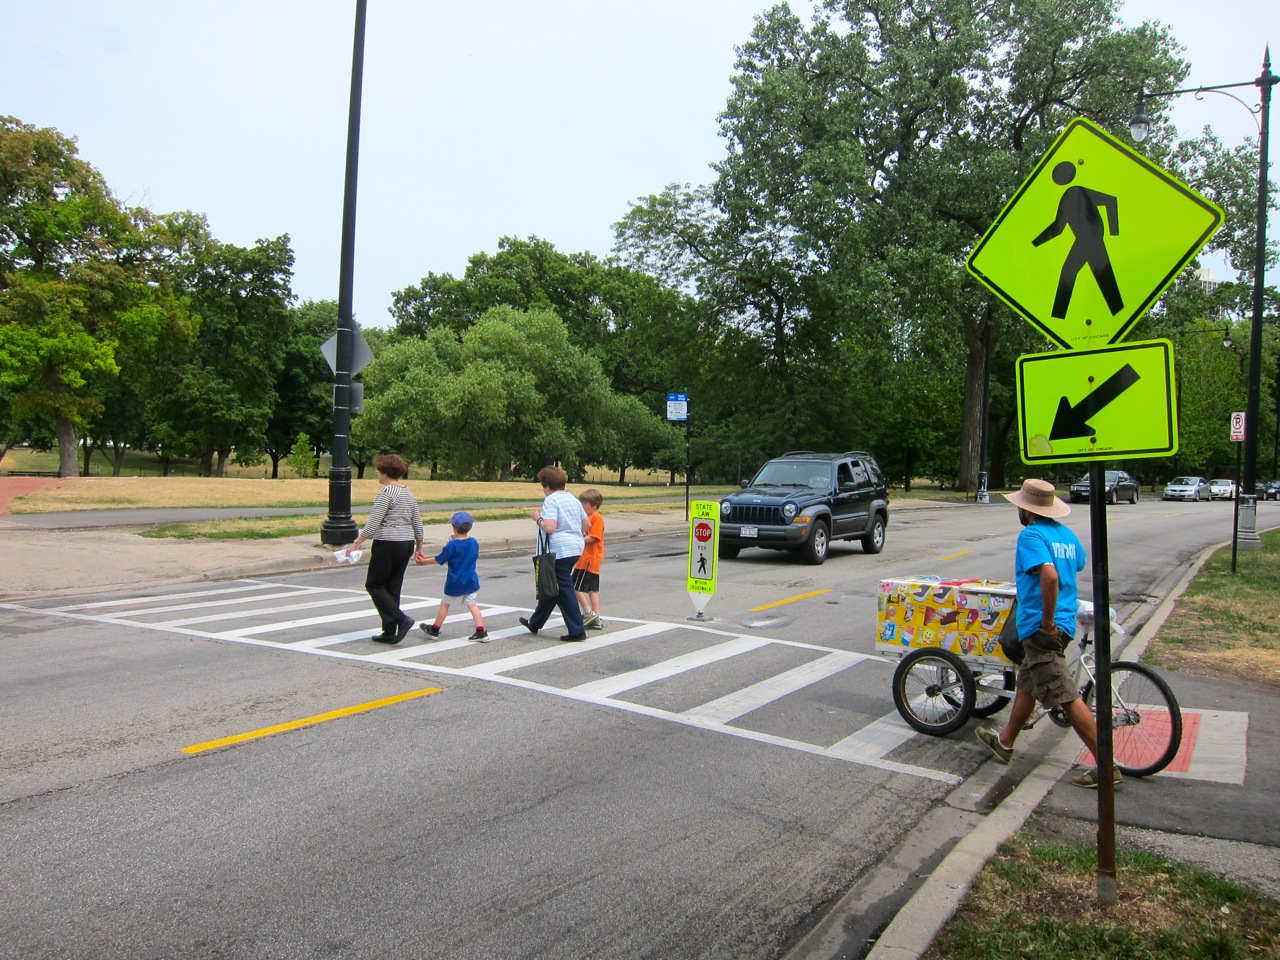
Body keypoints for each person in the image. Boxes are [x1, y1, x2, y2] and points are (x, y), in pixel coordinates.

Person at [976, 478, 1118, 789]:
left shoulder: (1032, 535)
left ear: (1026, 510)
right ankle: (1006, 741)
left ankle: (1107, 766)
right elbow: (1077, 563)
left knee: (1064, 696)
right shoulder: (1065, 534)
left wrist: (1047, 621)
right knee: (1028, 681)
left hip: (1043, 628)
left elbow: (1050, 576)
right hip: (1064, 625)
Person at [344, 454, 424, 644]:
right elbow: (417, 523)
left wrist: (355, 543)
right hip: (405, 543)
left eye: (378, 471)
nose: (377, 474)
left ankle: (401, 619)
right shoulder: (408, 493)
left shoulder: (387, 492)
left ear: (386, 472)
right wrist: (419, 546)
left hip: (387, 543)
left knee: (374, 584)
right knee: (392, 587)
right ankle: (389, 631)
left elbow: (373, 524)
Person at [518, 465, 588, 641]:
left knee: (564, 590)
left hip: (558, 551)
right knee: (552, 586)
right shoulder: (572, 499)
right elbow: (586, 524)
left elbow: (550, 527)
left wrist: (538, 518)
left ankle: (577, 630)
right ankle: (535, 622)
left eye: (543, 484)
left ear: (547, 484)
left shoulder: (551, 500)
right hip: (575, 549)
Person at [419, 511, 488, 642]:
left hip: (455, 582)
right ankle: (480, 631)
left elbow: (440, 559)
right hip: (471, 581)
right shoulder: (474, 542)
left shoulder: (452, 545)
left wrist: (423, 561)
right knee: (473, 605)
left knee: (445, 605)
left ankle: (435, 629)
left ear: (454, 527)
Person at [573, 488, 605, 630]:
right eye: (581, 502)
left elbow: (593, 537)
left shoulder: (596, 518)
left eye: (585, 503)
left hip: (588, 559)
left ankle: (588, 612)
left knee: (574, 587)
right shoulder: (586, 518)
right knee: (592, 589)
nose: (582, 505)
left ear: (594, 505)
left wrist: (577, 540)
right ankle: (596, 617)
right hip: (589, 559)